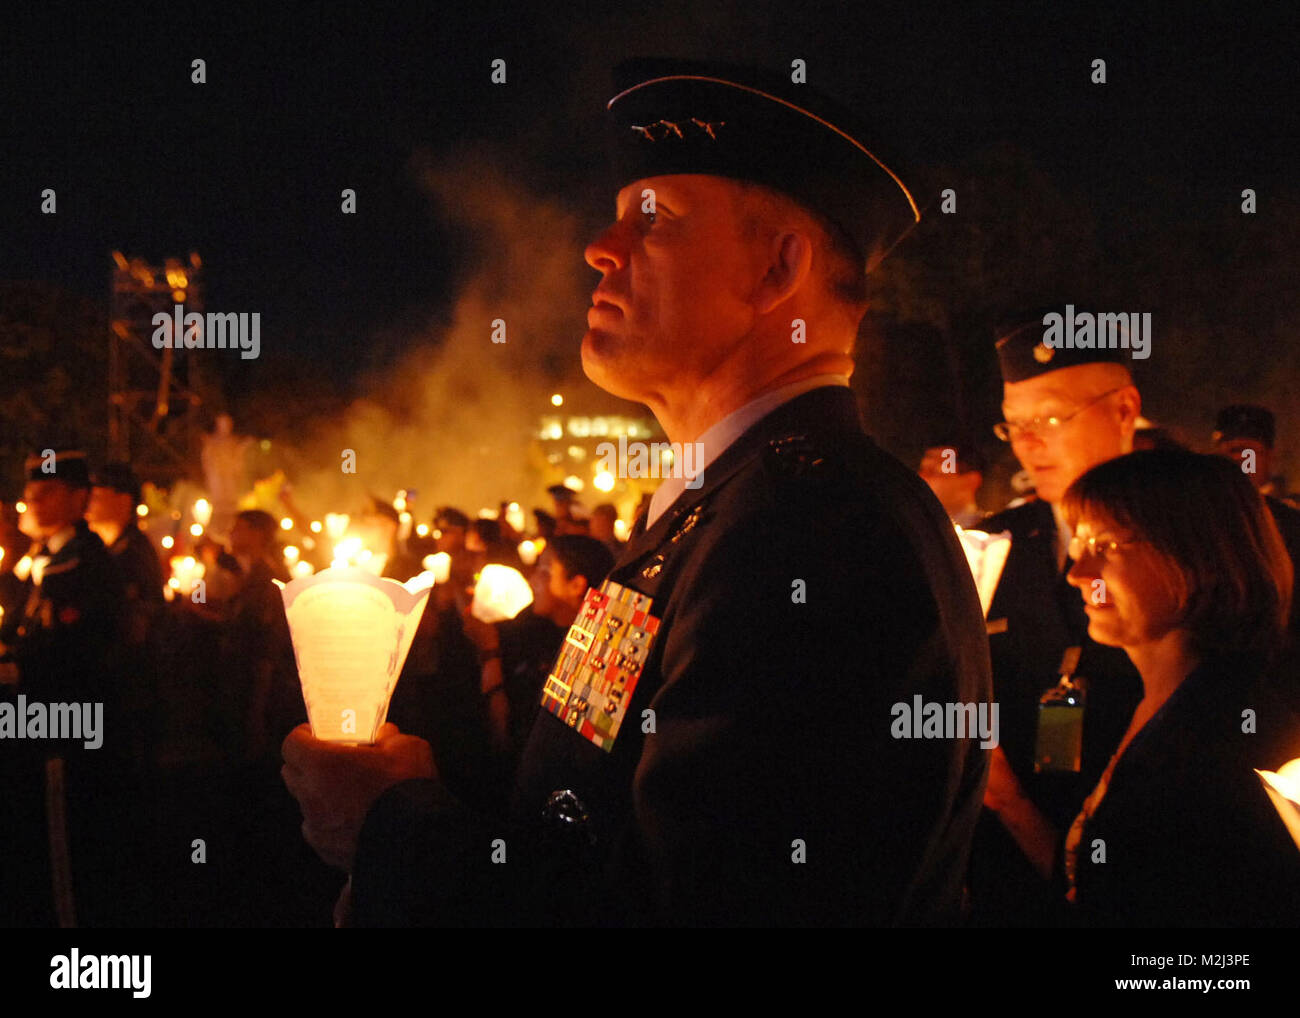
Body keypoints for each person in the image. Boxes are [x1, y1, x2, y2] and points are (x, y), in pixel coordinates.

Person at [282, 58, 991, 927]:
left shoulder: (817, 529)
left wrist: (397, 827)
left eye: (652, 218)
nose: (598, 248)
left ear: (778, 269)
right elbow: (588, 815)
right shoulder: (729, 503)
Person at [1058, 450, 1300, 925]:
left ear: (1194, 555)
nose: (1077, 572)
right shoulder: (1143, 700)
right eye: (1077, 544)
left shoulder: (1230, 742)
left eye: (1104, 546)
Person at [971, 312, 1146, 924]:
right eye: (1014, 425)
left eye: (1048, 418)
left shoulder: (1193, 546)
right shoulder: (991, 547)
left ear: (1124, 409)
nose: (1027, 444)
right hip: (1002, 879)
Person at [0, 449, 128, 926]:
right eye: (30, 492)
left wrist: (16, 664)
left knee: (67, 844)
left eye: (46, 491)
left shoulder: (84, 562)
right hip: (32, 724)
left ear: (79, 498)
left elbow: (71, 650)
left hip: (67, 729)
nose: (31, 501)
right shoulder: (37, 558)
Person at [918, 441, 986, 528]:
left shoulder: (991, 534)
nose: (922, 478)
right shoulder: (911, 528)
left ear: (970, 481)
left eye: (932, 472)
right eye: (921, 471)